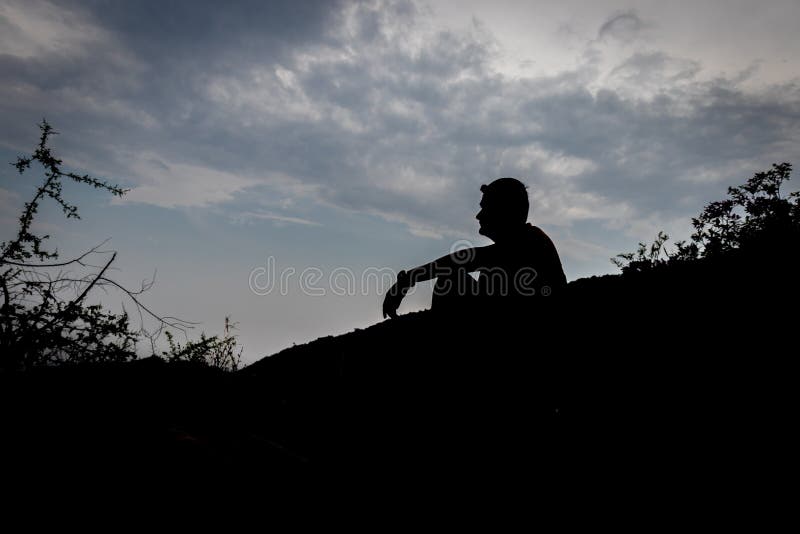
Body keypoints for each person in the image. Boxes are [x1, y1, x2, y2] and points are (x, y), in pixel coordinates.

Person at [382, 177, 566, 320]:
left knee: (452, 280)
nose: (479, 215)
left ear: (505, 211)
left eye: (486, 207)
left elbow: (469, 258)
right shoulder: (519, 244)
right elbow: (470, 258)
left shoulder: (530, 243)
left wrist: (408, 280)